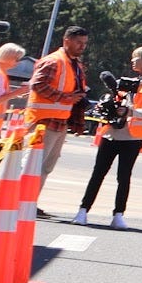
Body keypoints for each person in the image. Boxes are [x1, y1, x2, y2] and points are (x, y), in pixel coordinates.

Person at [72, 47, 142, 228]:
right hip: (111, 132)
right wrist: (109, 105)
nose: (132, 61)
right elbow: (116, 101)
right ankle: (83, 210)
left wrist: (131, 111)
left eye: (135, 58)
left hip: (133, 137)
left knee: (124, 176)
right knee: (98, 173)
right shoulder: (126, 81)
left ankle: (118, 215)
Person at [28, 25, 89, 180]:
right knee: (33, 164)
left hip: (60, 121)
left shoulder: (74, 64)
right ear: (66, 40)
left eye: (85, 43)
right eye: (78, 42)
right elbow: (37, 85)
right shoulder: (54, 61)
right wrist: (65, 97)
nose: (82, 46)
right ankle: (21, 202)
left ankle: (30, 202)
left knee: (46, 167)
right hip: (44, 121)